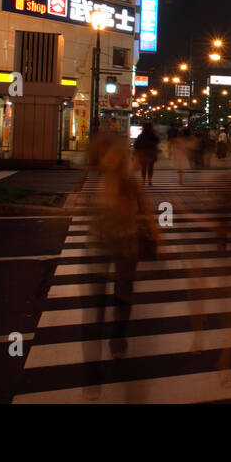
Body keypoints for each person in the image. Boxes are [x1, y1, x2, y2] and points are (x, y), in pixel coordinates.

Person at [87, 131, 159, 359]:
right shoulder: (100, 181)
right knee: (99, 299)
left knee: (122, 293)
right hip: (100, 245)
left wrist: (155, 233)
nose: (108, 160)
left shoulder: (129, 181)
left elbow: (146, 210)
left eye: (112, 156)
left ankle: (118, 337)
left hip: (126, 244)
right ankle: (97, 356)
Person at [133, 122, 160, 186]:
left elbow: (136, 145)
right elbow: (157, 141)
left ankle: (143, 180)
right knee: (151, 167)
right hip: (151, 153)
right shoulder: (153, 135)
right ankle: (150, 180)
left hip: (143, 153)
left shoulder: (141, 135)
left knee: (143, 167)